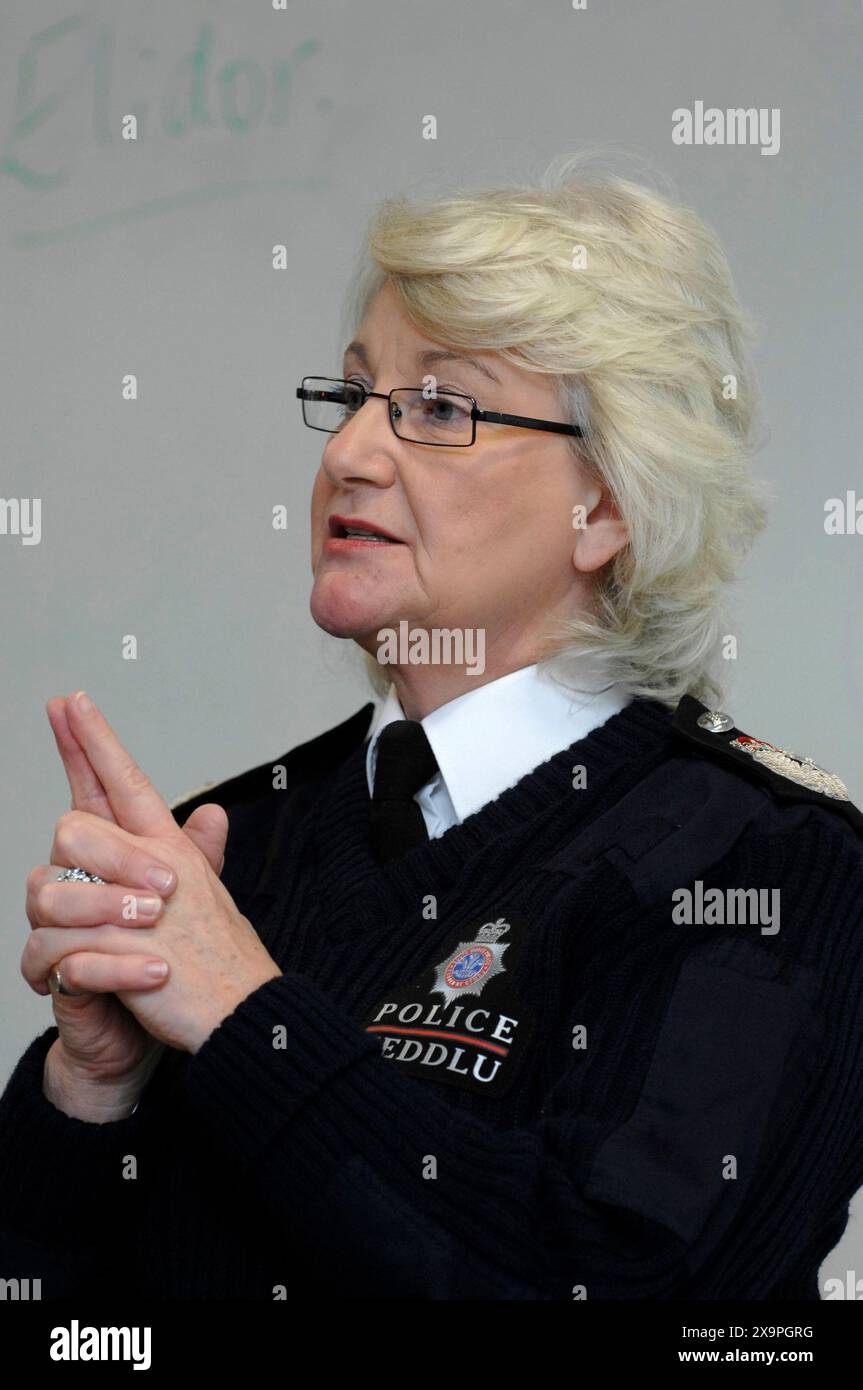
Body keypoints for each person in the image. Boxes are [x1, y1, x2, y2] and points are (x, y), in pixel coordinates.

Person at [2, 156, 862, 1301]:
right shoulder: (224, 846)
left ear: (605, 503)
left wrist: (250, 1018)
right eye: (353, 394)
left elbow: (619, 1288)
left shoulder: (767, 866)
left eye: (439, 407)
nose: (348, 452)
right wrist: (87, 1089)